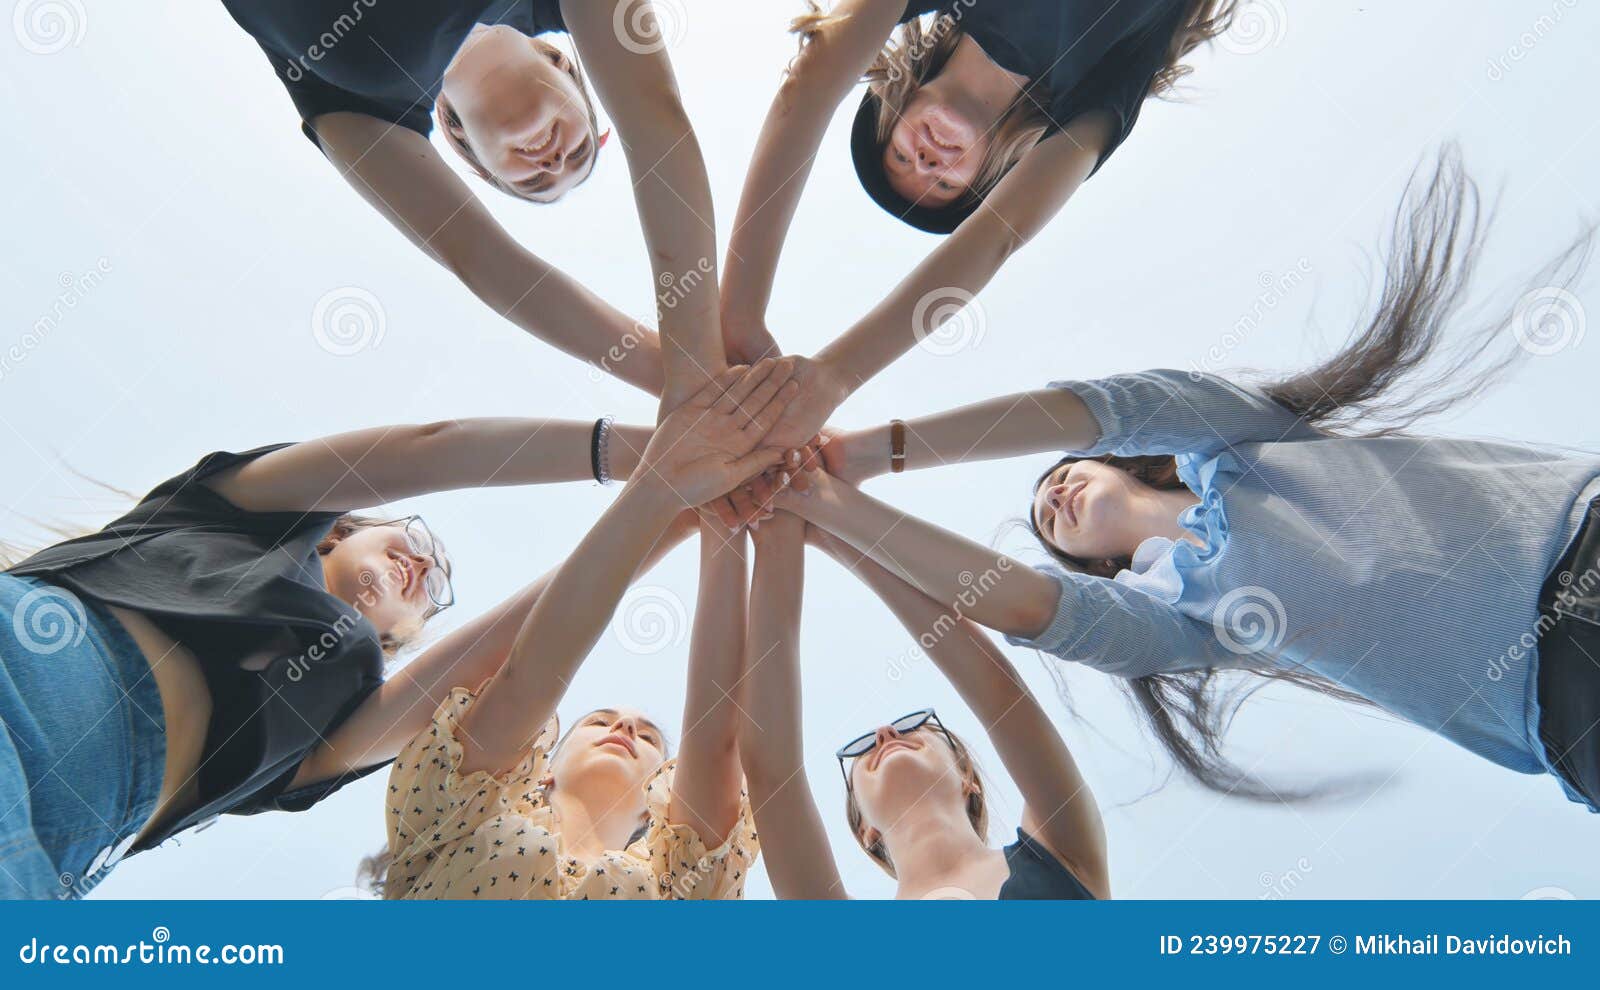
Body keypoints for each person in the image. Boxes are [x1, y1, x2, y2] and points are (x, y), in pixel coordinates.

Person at [770, 149, 1600, 810]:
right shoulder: (1187, 624)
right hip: (1561, 711)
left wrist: (874, 454)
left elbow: (1107, 407)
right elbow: (1028, 605)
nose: (1053, 497)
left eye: (1059, 478)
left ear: (1117, 461)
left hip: (1579, 535)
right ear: (1095, 567)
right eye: (1050, 524)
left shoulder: (1242, 442)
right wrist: (825, 504)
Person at [1, 359, 795, 899]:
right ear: (340, 532)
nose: (424, 563)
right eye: (412, 540)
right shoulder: (242, 515)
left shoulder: (331, 720)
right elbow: (430, 450)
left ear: (397, 639)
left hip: (69, 847)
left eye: (433, 589)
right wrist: (649, 461)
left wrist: (690, 509)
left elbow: (518, 650)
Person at [718, 0, 1238, 447]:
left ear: (897, 105)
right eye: (945, 185)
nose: (925, 164)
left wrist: (739, 310)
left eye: (900, 156)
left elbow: (808, 87)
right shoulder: (1099, 89)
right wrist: (833, 378)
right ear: (993, 177)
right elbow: (998, 235)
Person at [221, 0, 727, 404]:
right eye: (578, 150)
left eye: (530, 182)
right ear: (562, 63)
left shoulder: (363, 112)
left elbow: (486, 262)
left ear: (464, 142)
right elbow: (655, 122)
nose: (553, 165)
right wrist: (703, 361)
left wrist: (692, 387)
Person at [370, 513, 762, 900]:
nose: (625, 726)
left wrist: (725, 525)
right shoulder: (465, 812)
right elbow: (521, 680)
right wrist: (679, 517)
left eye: (647, 737)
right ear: (541, 771)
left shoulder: (674, 888)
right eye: (598, 722)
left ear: (654, 807)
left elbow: (717, 743)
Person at [738, 515, 1108, 899]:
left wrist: (836, 532)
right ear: (866, 830)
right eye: (865, 749)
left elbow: (1001, 696)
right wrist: (777, 535)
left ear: (967, 778)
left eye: (916, 728)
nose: (885, 734)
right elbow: (773, 779)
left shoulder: (1060, 852)